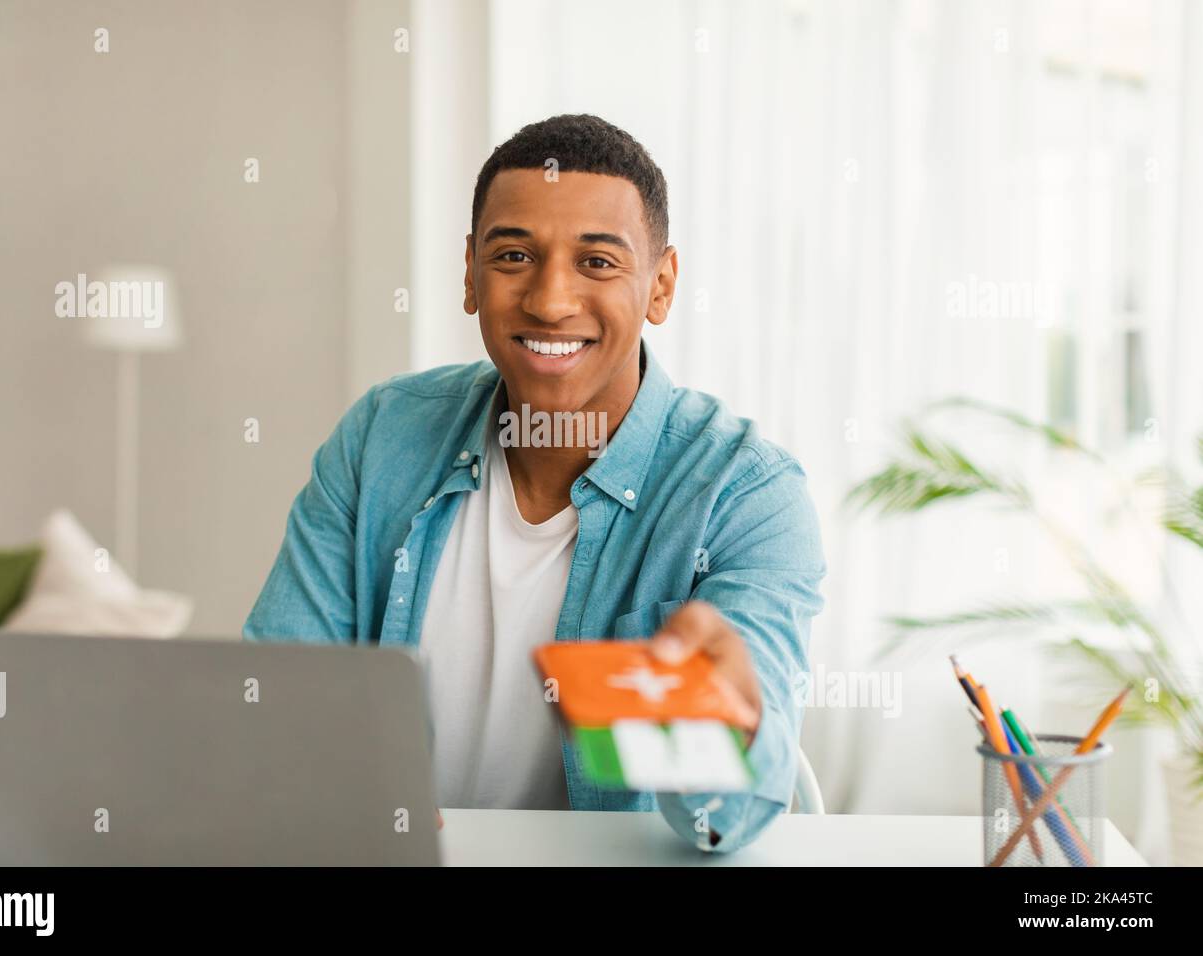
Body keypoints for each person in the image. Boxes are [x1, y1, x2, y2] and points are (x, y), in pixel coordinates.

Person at [244, 113, 825, 853]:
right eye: (514, 255)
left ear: (661, 285)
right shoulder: (382, 438)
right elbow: (276, 704)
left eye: (598, 262)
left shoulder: (745, 496)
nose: (550, 301)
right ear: (469, 274)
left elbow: (725, 825)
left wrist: (724, 724)